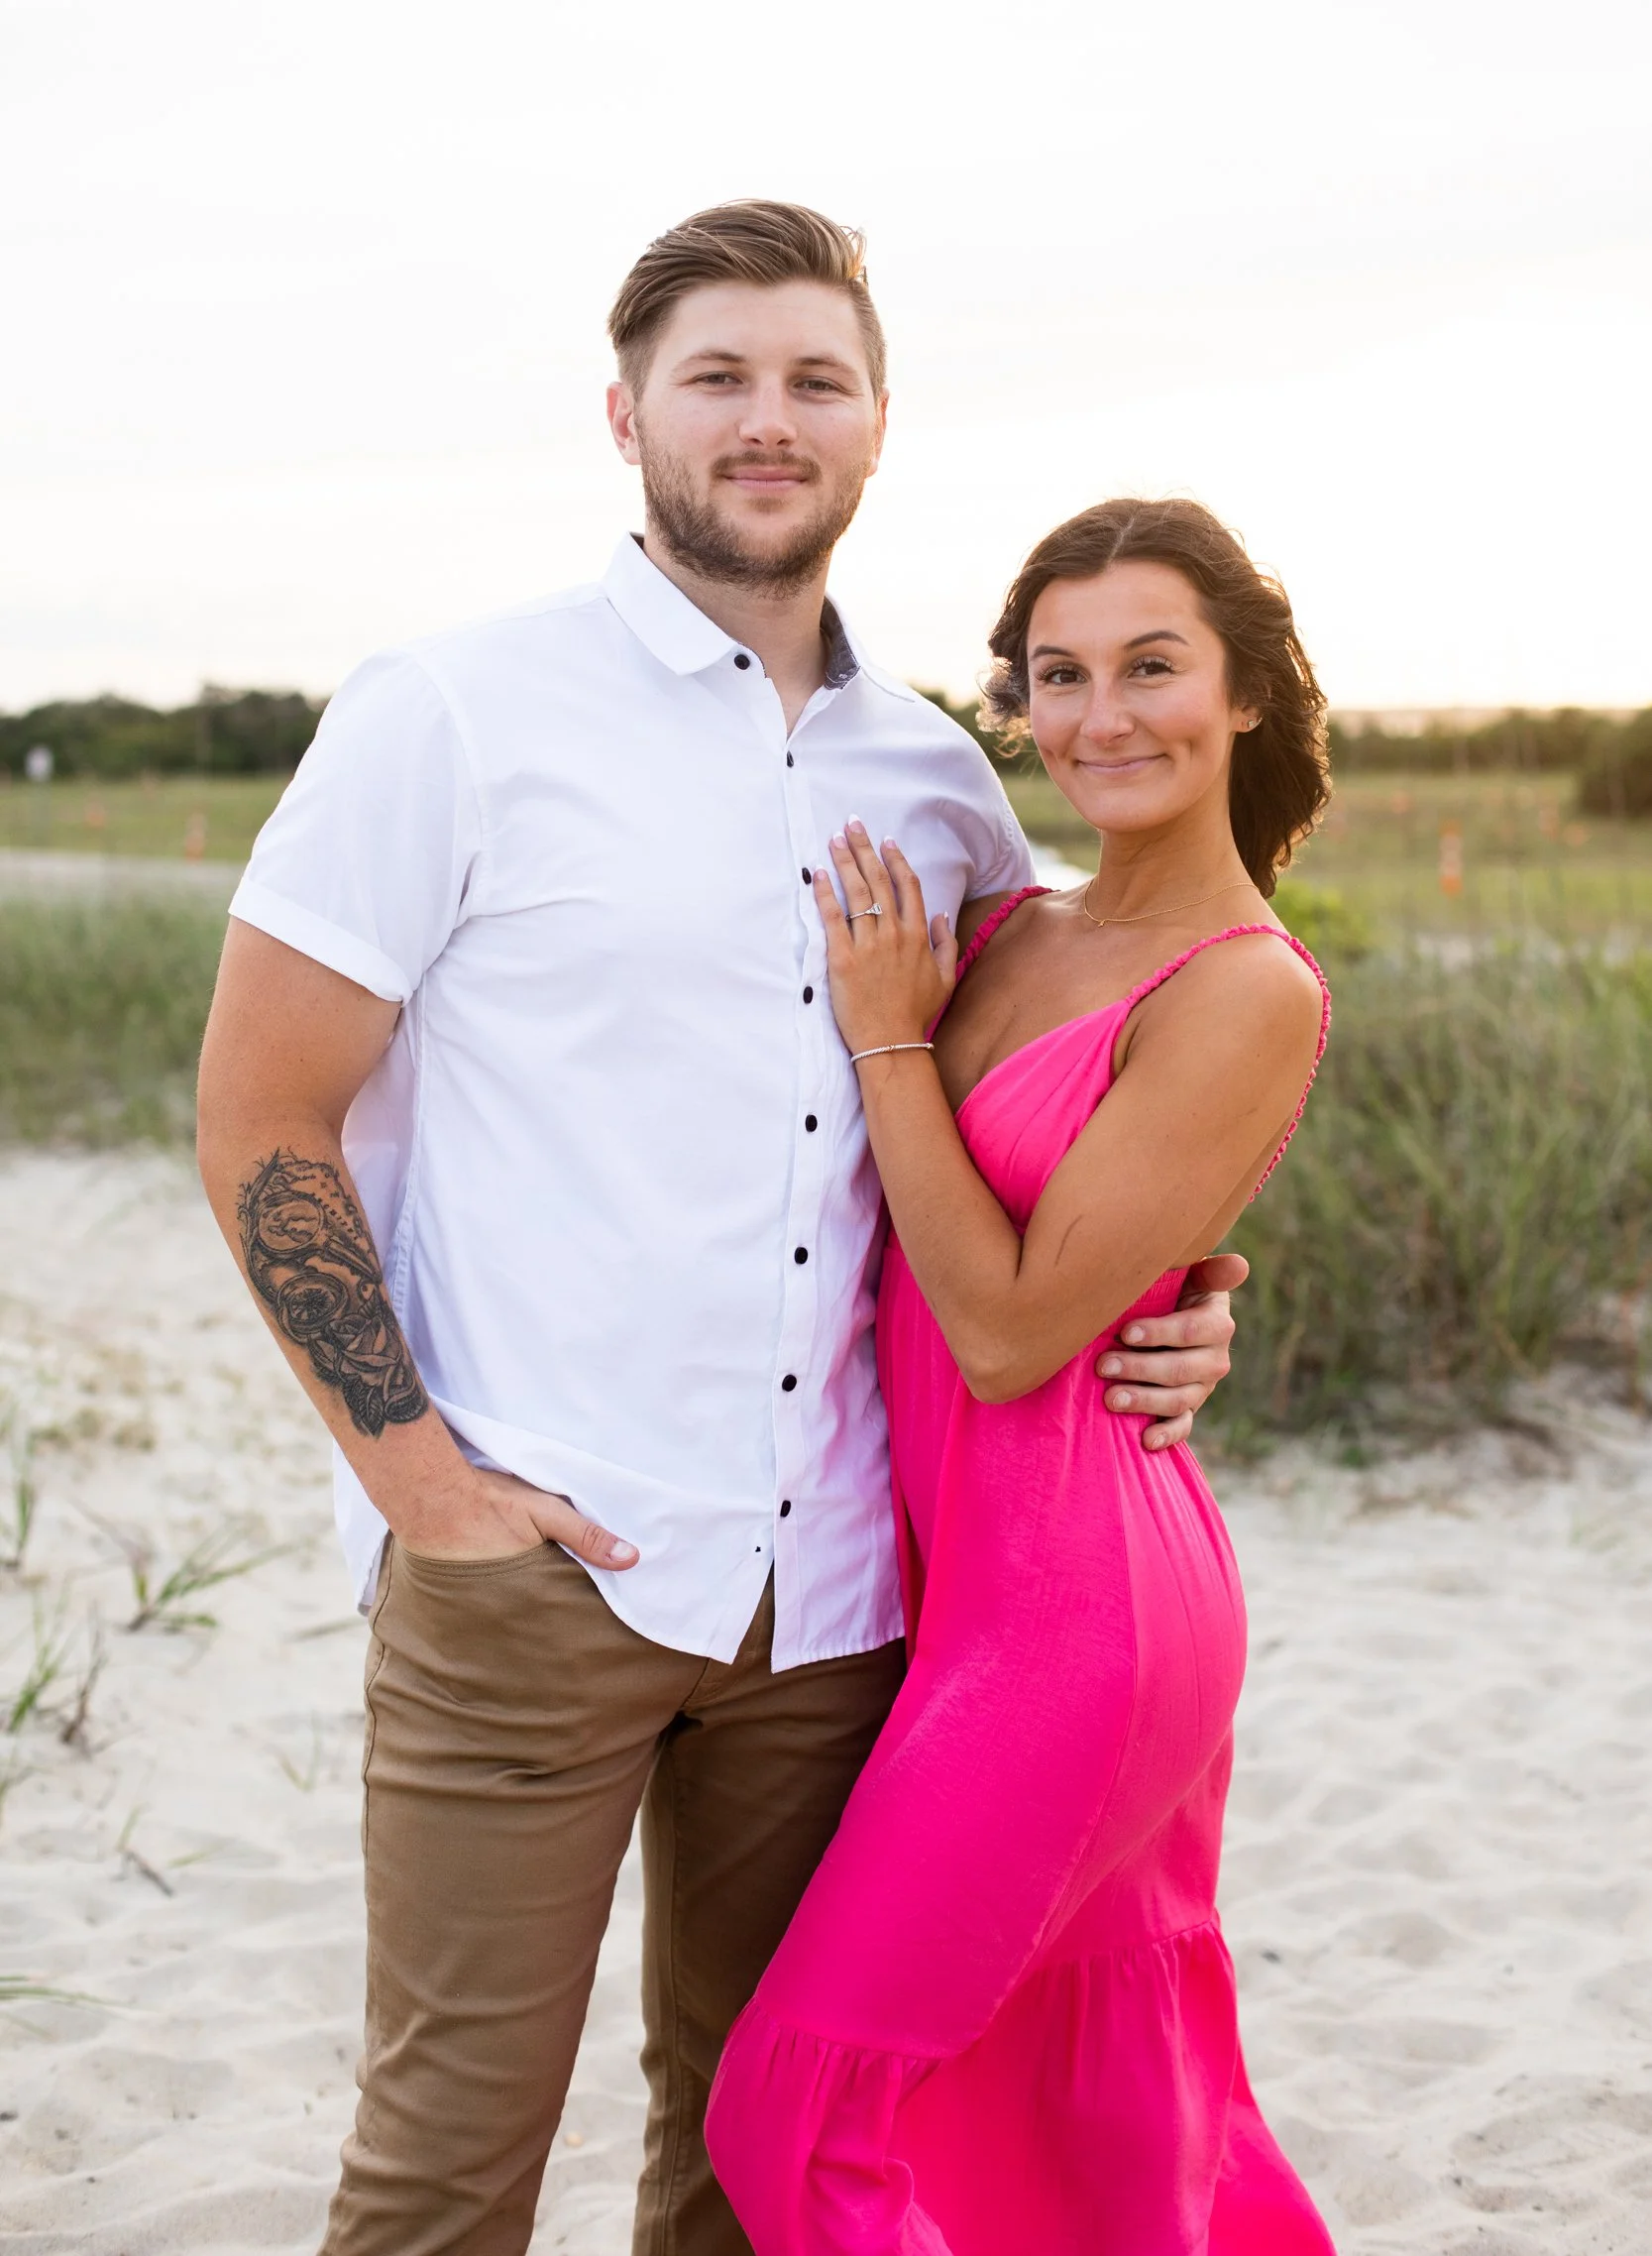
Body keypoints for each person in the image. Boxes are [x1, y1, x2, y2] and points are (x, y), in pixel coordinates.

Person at [194, 203, 1245, 2256]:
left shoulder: (937, 775)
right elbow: (259, 1115)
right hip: (533, 1565)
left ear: (875, 425)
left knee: (762, 2160)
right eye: (718, 377)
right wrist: (421, 1483)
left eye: (814, 380)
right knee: (443, 2171)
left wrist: (1189, 1288)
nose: (769, 420)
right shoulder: (450, 710)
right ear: (626, 416)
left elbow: (1041, 1111)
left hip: (836, 1597)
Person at [706, 497, 1336, 2254]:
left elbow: (998, 1332)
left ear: (1246, 696)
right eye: (1058, 675)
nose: (1099, 716)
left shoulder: (1245, 988)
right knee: (1066, 2134)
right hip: (946, 1585)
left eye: (1151, 667)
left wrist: (888, 1036)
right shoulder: (1011, 927)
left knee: (792, 2116)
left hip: (1079, 1618)